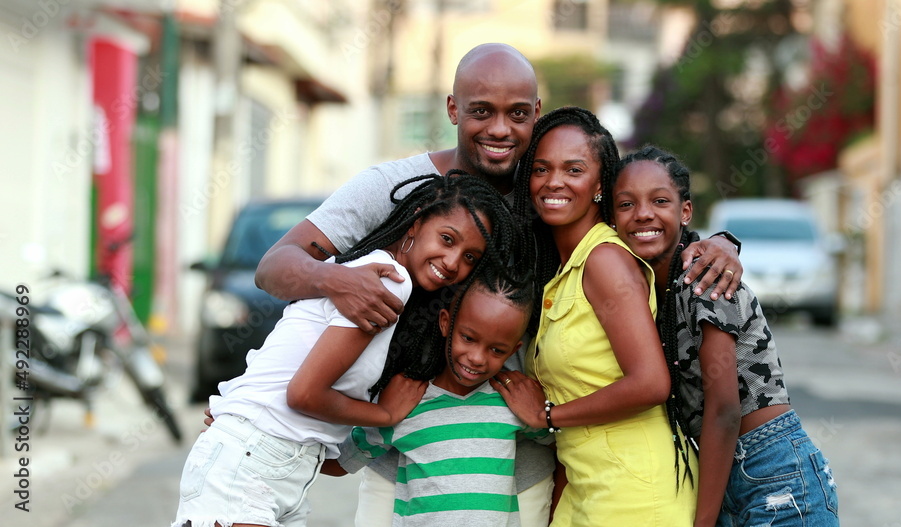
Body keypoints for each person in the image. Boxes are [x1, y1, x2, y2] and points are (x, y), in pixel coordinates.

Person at [251, 43, 742, 526]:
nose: (501, 129)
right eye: (482, 111)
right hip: (403, 454)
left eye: (517, 113)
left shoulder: (549, 192)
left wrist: (719, 243)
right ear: (453, 109)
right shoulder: (397, 185)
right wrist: (335, 280)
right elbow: (275, 265)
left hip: (522, 465)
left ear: (536, 113)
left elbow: (644, 221)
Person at [173, 173, 514, 527]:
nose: (453, 262)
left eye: (470, 256)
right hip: (252, 459)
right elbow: (303, 394)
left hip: (273, 462)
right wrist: (385, 414)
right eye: (447, 239)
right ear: (415, 222)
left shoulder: (377, 279)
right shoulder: (387, 283)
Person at [608, 145, 840, 526]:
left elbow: (725, 411)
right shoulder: (648, 291)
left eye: (660, 201)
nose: (643, 213)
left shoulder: (706, 275)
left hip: (775, 474)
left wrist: (702, 522)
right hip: (727, 473)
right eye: (626, 204)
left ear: (685, 211)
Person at [497, 106, 698, 526]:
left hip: (636, 492)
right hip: (588, 487)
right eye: (541, 169)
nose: (554, 181)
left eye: (574, 169)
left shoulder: (605, 261)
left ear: (600, 185)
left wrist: (546, 416)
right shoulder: (564, 269)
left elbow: (651, 382)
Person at [322, 266, 550, 526]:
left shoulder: (511, 404)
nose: (477, 358)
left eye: (497, 350)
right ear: (445, 323)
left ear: (514, 350)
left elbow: (560, 444)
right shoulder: (406, 405)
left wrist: (542, 413)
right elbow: (339, 463)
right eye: (468, 338)